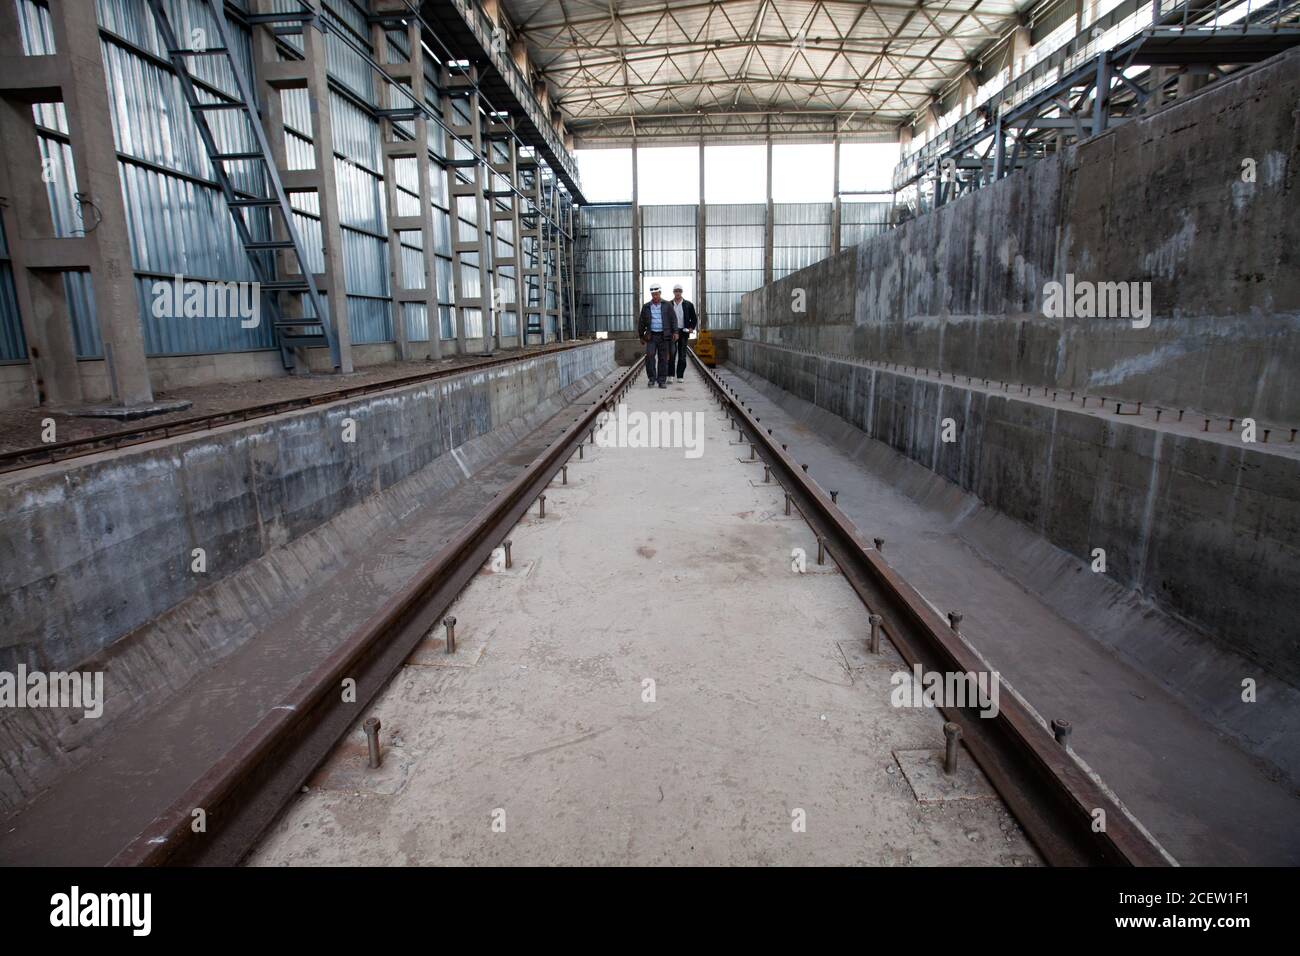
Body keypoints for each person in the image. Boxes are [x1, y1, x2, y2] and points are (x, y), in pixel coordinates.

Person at [637, 284, 678, 388]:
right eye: (653, 294)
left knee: (663, 358)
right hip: (651, 336)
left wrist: (675, 332)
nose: (655, 296)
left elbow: (673, 319)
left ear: (660, 293)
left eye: (656, 294)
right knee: (650, 356)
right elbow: (641, 322)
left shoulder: (667, 305)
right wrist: (641, 336)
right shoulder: (646, 307)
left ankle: (662, 380)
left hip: (664, 336)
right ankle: (651, 379)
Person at [669, 284, 698, 382]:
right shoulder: (669, 304)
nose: (677, 293)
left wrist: (691, 328)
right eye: (676, 291)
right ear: (673, 292)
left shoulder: (688, 304)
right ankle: (671, 375)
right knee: (671, 354)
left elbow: (694, 318)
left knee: (682, 355)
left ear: (681, 292)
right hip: (673, 332)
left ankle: (680, 376)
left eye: (679, 291)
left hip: (684, 332)